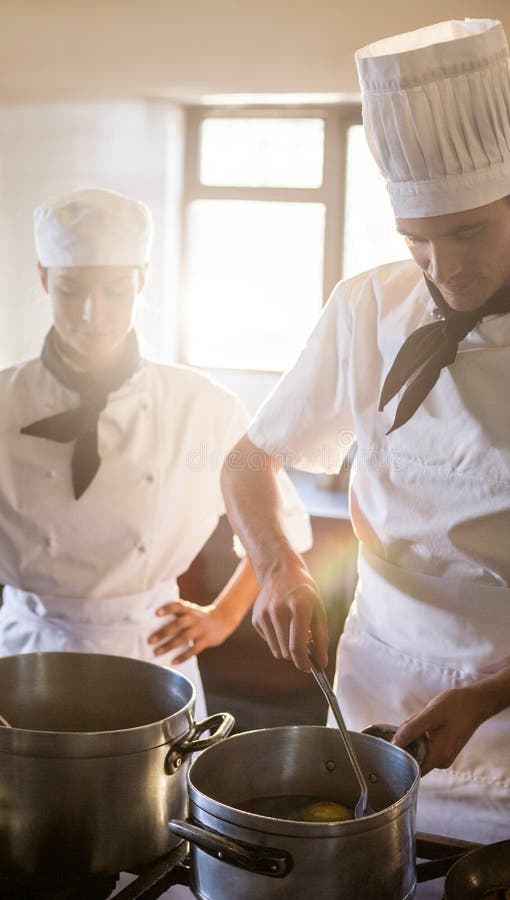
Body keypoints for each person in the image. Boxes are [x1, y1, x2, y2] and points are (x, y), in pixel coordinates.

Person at [221, 18, 510, 843]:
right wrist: (277, 565)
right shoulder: (368, 305)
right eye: (417, 241)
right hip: (371, 675)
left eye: (466, 232)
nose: (444, 268)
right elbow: (250, 462)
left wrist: (488, 695)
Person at [0, 187, 311, 718]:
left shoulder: (200, 406)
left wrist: (222, 617)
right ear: (44, 278)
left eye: (116, 291)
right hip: (30, 651)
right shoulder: (4, 402)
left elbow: (281, 529)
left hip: (150, 650)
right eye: (72, 290)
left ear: (142, 281)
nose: (93, 314)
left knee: (149, 797)